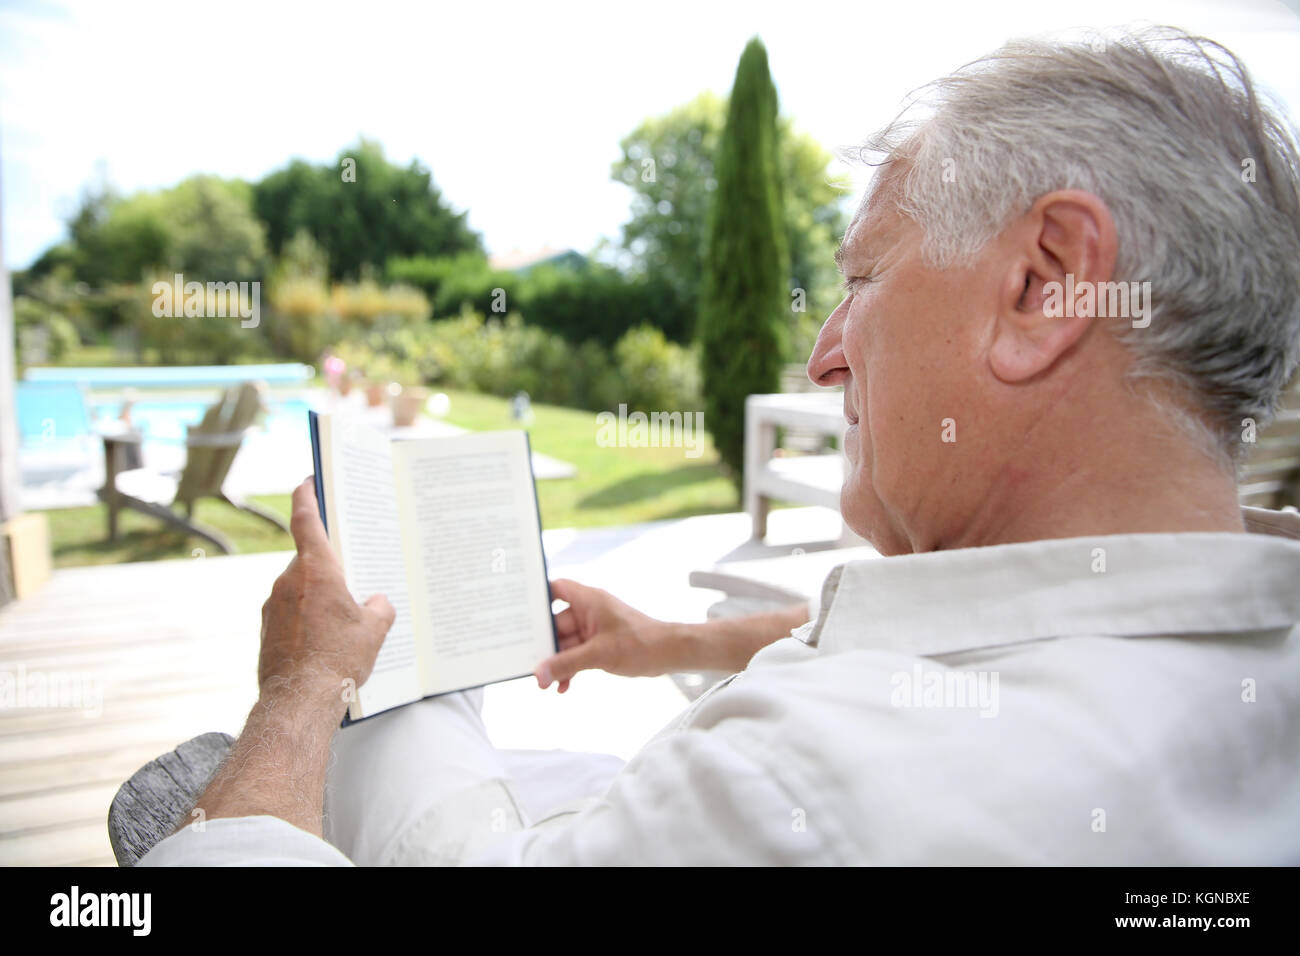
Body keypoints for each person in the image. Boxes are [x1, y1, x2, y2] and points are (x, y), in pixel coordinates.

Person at [141, 26, 1300, 865]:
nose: (825, 355)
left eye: (863, 278)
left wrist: (307, 690)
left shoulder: (816, 782)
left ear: (1044, 287)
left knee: (172, 798)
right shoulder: (1233, 633)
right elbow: (997, 637)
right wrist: (671, 640)